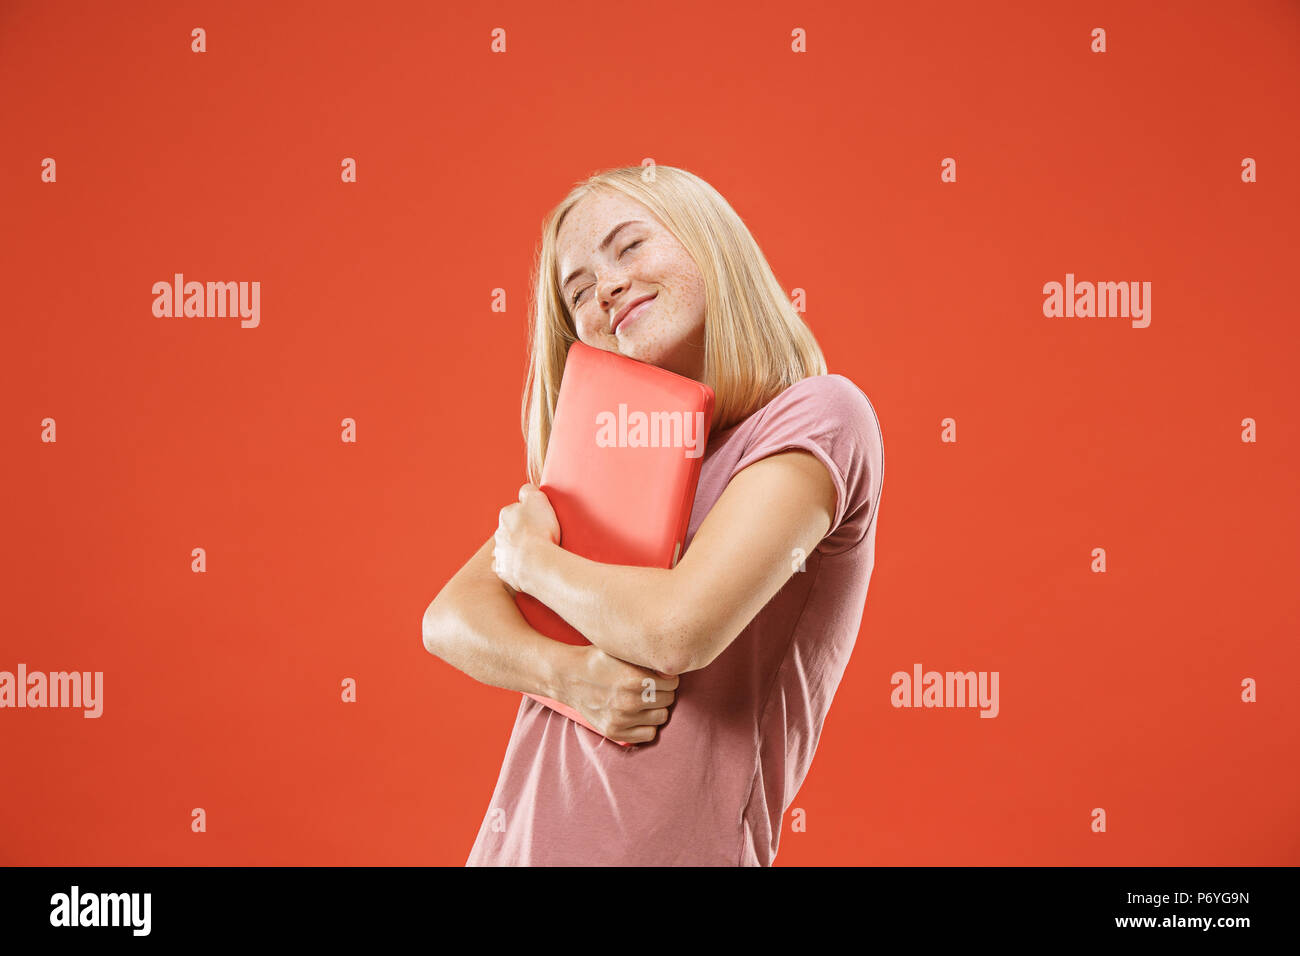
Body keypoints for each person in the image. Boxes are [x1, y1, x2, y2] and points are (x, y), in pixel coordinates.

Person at [421, 165, 884, 866]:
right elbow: (448, 619)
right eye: (577, 291)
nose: (604, 287)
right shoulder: (611, 464)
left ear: (711, 247)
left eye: (629, 247)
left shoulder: (819, 415)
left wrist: (533, 561)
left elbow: (676, 630)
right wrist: (568, 674)